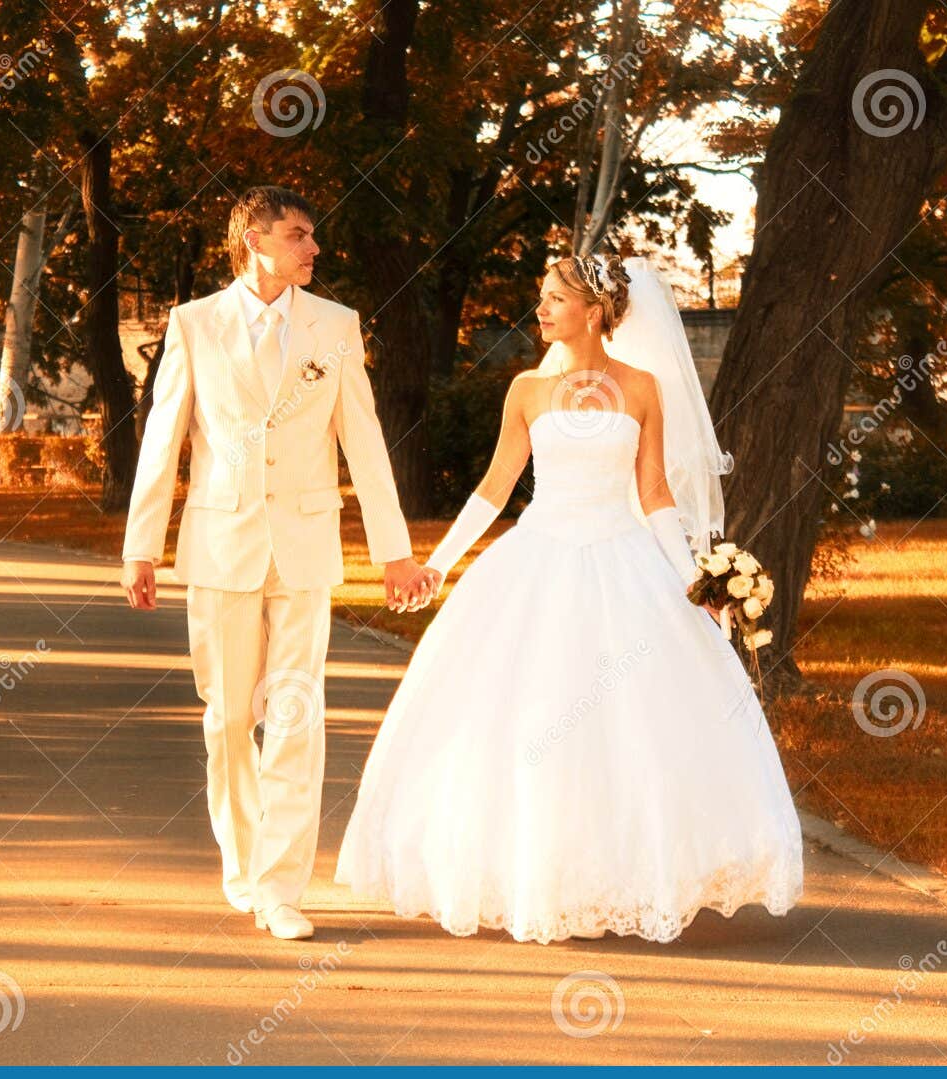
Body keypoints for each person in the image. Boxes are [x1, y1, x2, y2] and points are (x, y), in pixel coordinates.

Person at [333, 253, 805, 944]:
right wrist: (436, 564)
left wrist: (694, 581)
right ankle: (536, 876)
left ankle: (630, 876)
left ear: (593, 311)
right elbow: (494, 487)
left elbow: (655, 494)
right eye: (541, 298)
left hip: (624, 563)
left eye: (555, 299)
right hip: (536, 561)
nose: (542, 310)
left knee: (633, 728)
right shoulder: (526, 389)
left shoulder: (642, 386)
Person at [120, 185, 437, 941]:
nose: (313, 249)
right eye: (298, 235)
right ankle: (245, 864)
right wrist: (142, 547)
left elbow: (362, 437)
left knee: (295, 718)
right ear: (253, 241)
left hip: (305, 547)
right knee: (230, 720)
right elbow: (164, 440)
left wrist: (394, 552)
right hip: (220, 544)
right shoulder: (194, 325)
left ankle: (281, 887)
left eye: (312, 236)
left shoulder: (336, 325)